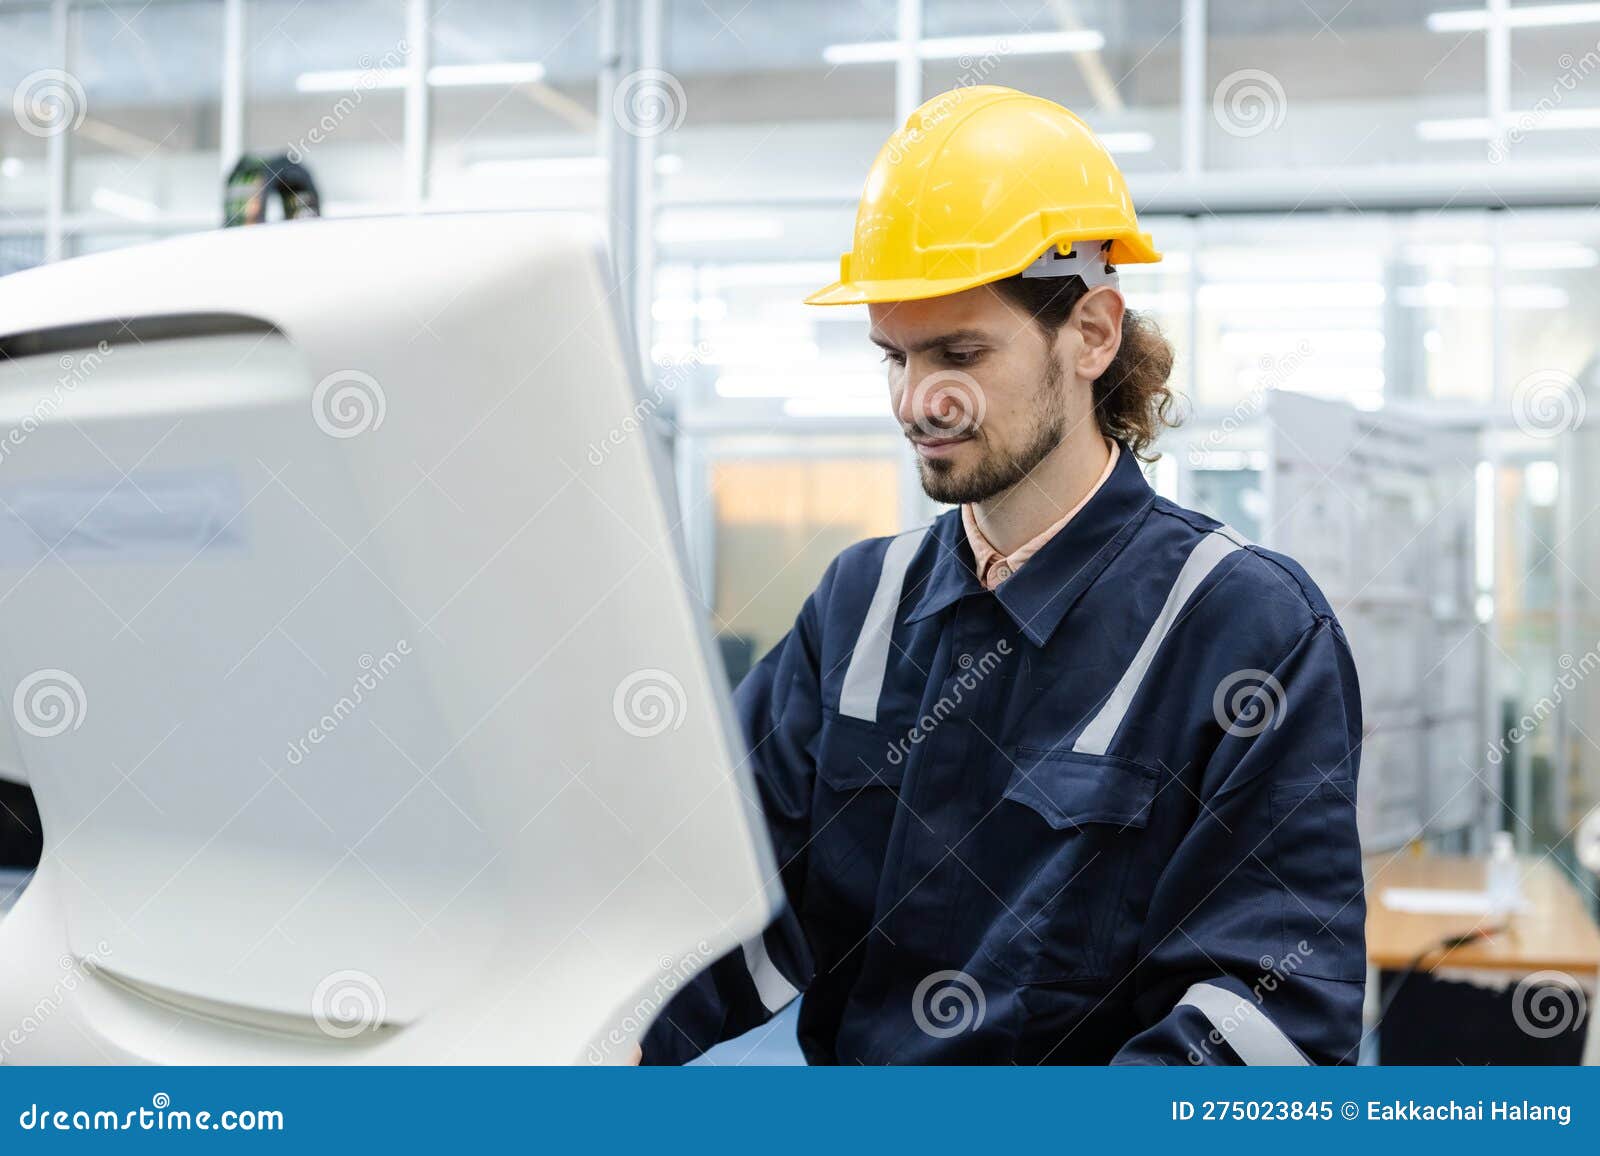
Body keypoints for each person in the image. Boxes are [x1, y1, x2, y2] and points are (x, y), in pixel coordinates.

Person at [642, 86, 1365, 1065]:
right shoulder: (857, 609)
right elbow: (727, 910)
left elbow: (1264, 1017)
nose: (914, 400)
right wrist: (583, 1039)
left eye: (960, 353)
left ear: (1094, 334)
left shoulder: (1247, 630)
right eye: (892, 356)